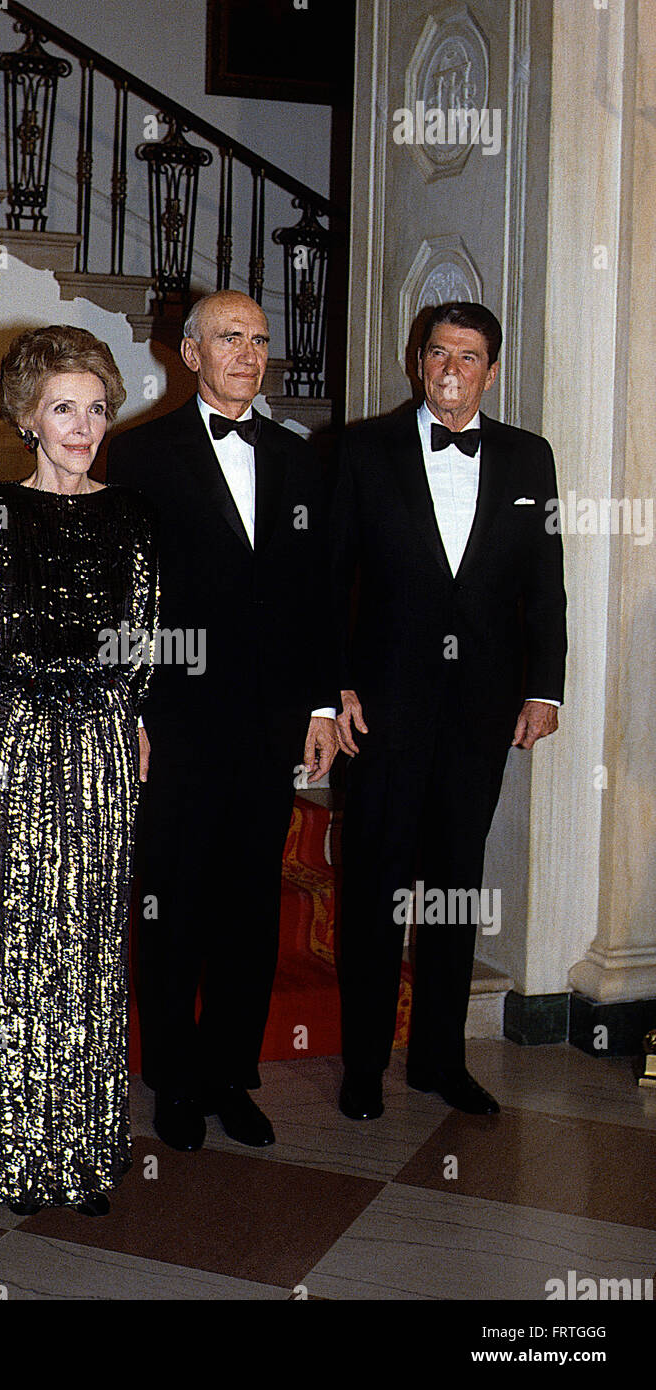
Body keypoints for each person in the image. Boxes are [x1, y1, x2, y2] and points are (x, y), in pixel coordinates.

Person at [106, 291, 339, 1152]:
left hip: (269, 721)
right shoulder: (137, 455)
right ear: (189, 352)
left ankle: (230, 1074)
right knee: (171, 903)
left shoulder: (299, 456)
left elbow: (316, 592)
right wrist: (132, 710)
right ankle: (171, 1077)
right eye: (229, 338)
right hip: (176, 721)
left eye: (260, 340)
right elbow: (122, 599)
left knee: (249, 905)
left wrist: (319, 703)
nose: (248, 353)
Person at [330, 301, 567, 1121]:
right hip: (381, 712)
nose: (451, 371)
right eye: (437, 354)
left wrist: (545, 687)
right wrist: (334, 688)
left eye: (468, 357)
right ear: (415, 361)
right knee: (373, 887)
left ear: (490, 370)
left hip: (480, 713)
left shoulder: (528, 458)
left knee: (454, 889)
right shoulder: (360, 450)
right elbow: (327, 581)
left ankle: (437, 1059)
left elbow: (546, 583)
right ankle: (362, 1065)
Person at [0, 325, 156, 1216]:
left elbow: (143, 629)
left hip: (104, 746)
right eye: (63, 408)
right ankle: (12, 1154)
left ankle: (84, 1150)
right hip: (20, 745)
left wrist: (135, 713)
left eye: (96, 408)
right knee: (17, 946)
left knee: (93, 949)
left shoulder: (130, 513)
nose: (82, 425)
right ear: (28, 417)